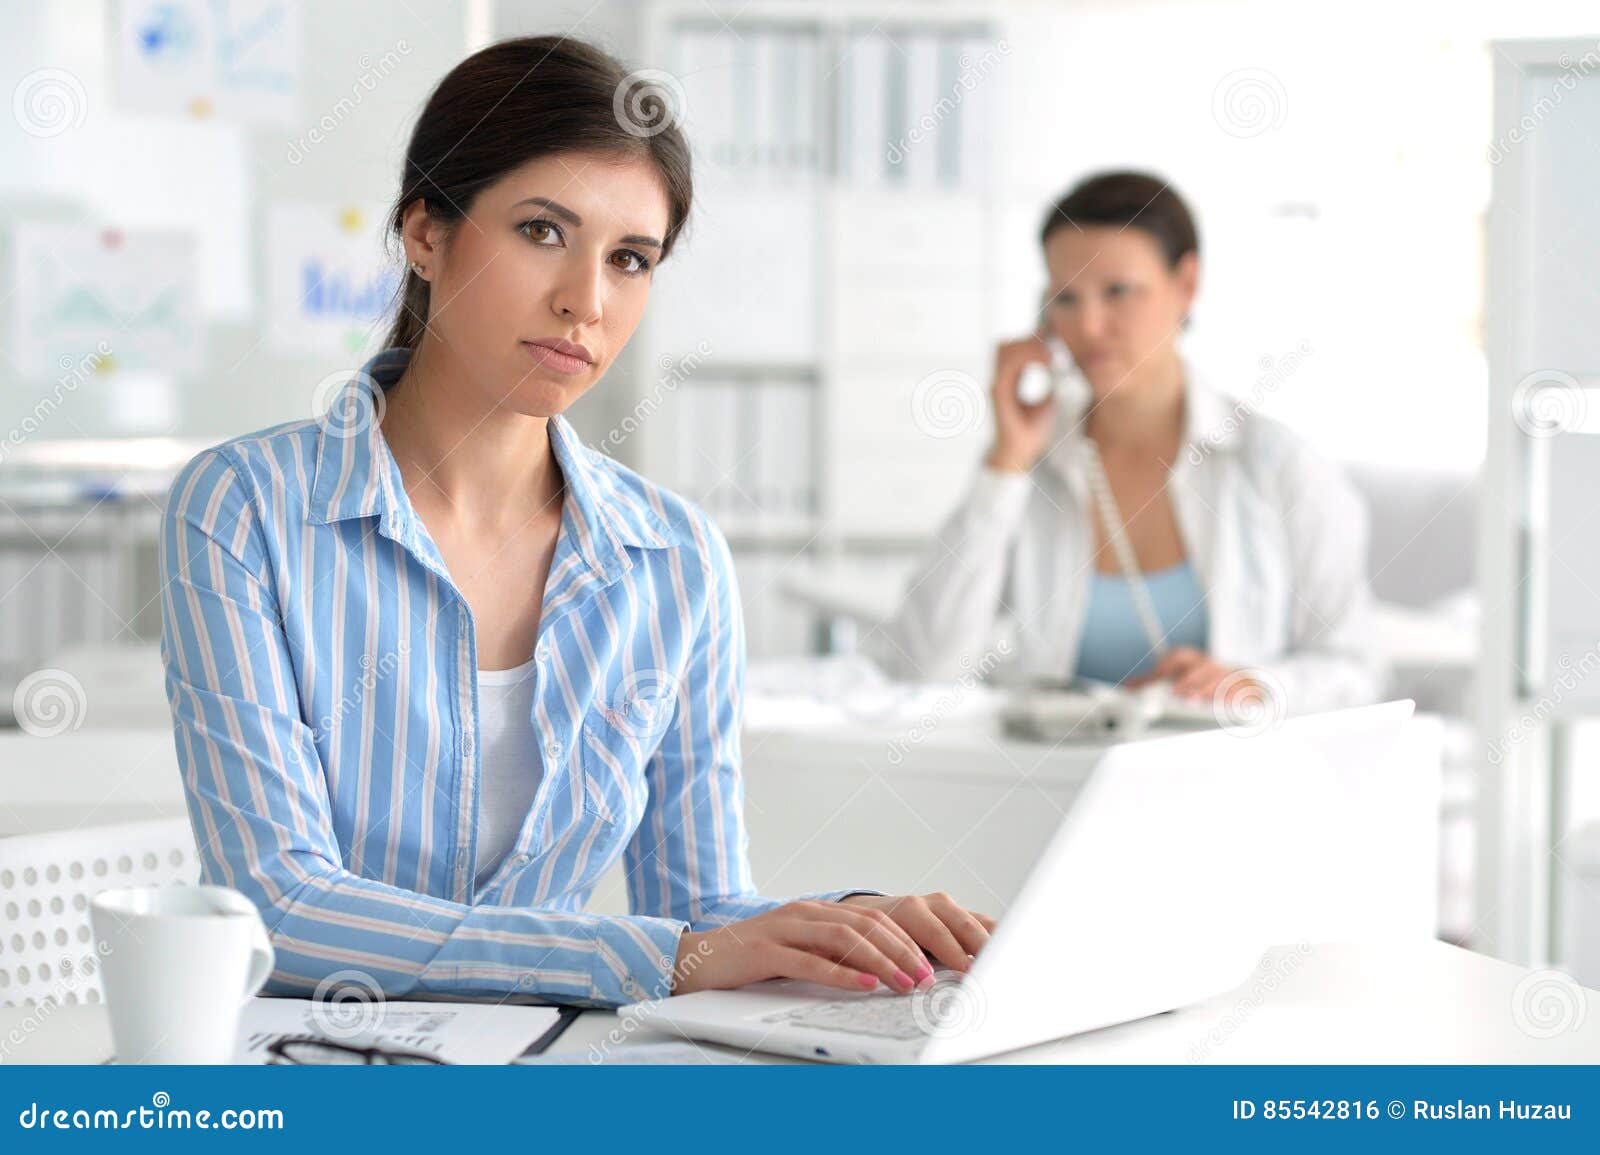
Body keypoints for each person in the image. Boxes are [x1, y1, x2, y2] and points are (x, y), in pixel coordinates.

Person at [158, 36, 992, 1009]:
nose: (585, 302)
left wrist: (851, 927)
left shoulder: (674, 559)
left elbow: (698, 907)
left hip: (549, 1072)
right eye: (542, 233)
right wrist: (656, 958)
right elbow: (282, 910)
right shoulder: (245, 509)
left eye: (630, 258)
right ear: (426, 235)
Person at [885, 172, 1380, 714]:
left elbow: (1353, 670)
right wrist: (1004, 465)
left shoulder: (1276, 464)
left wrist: (1255, 685)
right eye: (1066, 299)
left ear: (1186, 284)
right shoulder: (1036, 466)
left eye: (1118, 292)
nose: (1090, 326)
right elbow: (923, 667)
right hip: (1052, 788)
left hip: (1222, 785)